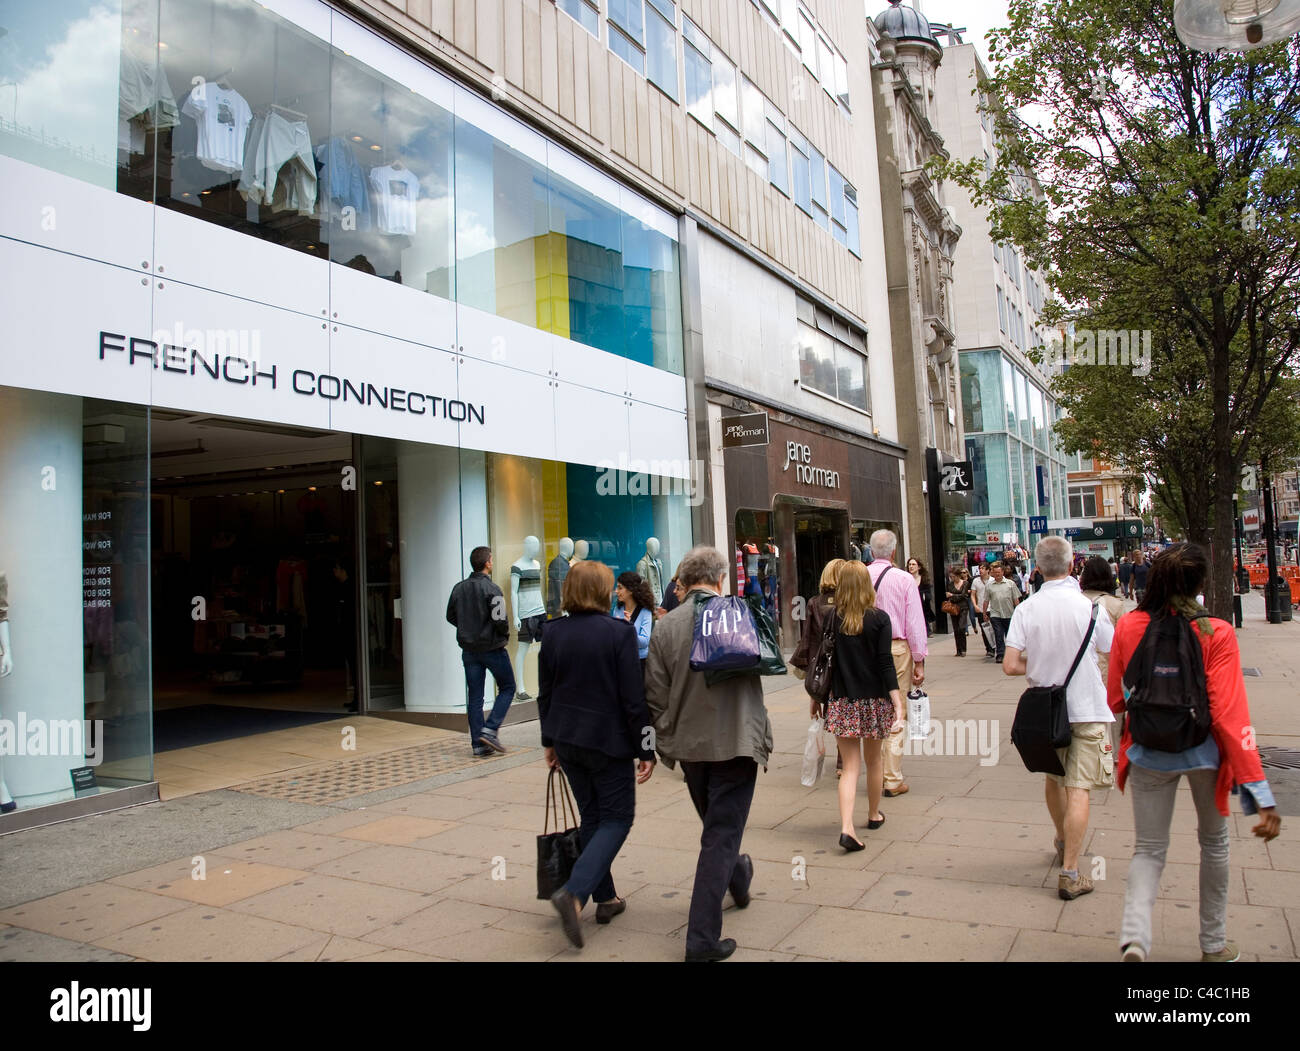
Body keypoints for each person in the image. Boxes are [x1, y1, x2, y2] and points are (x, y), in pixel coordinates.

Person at [1106, 544, 1281, 963]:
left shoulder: (1129, 626)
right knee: (1215, 845)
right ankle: (1213, 945)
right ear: (1200, 583)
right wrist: (1257, 790)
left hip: (1148, 749)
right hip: (1204, 753)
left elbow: (1115, 699)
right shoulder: (1216, 632)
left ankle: (1134, 939)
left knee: (1148, 849)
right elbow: (1229, 714)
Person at [644, 546, 773, 962]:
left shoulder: (665, 627)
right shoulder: (739, 614)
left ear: (682, 581)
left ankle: (738, 875)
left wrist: (668, 741)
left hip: (691, 748)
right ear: (720, 579)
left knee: (719, 830)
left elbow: (655, 696)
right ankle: (700, 939)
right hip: (736, 742)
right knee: (720, 834)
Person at [541, 560, 656, 949]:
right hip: (608, 742)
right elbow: (633, 697)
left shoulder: (552, 632)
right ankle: (574, 894)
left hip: (569, 740)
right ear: (602, 591)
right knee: (618, 818)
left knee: (593, 816)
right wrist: (647, 746)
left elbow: (546, 693)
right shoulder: (618, 633)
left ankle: (605, 898)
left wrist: (549, 741)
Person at [1003, 536, 1115, 901]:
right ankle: (1070, 871)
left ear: (1036, 568)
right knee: (1079, 788)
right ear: (1072, 567)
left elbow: (1009, 665)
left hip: (1046, 712)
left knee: (1054, 778)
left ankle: (1062, 836)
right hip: (1086, 707)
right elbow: (1109, 651)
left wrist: (1036, 666)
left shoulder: (1027, 609)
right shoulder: (1091, 609)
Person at [815, 561, 903, 850]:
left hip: (842, 701)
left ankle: (847, 827)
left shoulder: (832, 618)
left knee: (849, 767)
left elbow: (823, 660)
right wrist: (896, 697)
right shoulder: (879, 619)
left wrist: (815, 699)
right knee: (874, 760)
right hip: (874, 701)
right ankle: (874, 814)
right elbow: (885, 662)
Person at [867, 530, 926, 798]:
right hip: (896, 648)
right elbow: (915, 622)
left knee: (872, 707)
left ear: (870, 552)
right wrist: (919, 659)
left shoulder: (859, 577)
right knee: (896, 708)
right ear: (893, 553)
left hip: (864, 649)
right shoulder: (904, 579)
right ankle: (891, 778)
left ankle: (875, 773)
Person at [446, 546, 515, 757]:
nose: (492, 563)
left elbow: (450, 616)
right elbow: (500, 619)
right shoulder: (492, 589)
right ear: (487, 563)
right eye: (491, 560)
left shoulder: (459, 588)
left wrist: (467, 629)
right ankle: (490, 729)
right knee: (508, 687)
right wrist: (504, 635)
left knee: (475, 697)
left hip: (469, 650)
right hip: (492, 648)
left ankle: (478, 744)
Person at [792, 558, 846, 779]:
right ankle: (844, 761)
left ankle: (839, 759)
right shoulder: (850, 601)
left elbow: (809, 641)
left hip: (825, 664)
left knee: (829, 706)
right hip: (847, 664)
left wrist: (807, 672)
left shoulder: (814, 603)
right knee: (844, 708)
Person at [1079, 555, 1125, 689]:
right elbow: (1122, 642)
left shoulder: (1072, 602)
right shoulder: (1116, 605)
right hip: (1107, 673)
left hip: (1078, 673)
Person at [613, 571, 655, 669]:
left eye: (620, 588)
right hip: (621, 659)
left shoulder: (645, 612)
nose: (616, 591)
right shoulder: (618, 609)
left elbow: (644, 642)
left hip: (640, 662)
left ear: (630, 590)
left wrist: (629, 628)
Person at [983, 562, 1021, 663]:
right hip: (996, 614)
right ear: (992, 573)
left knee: (1010, 635)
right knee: (998, 634)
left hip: (1009, 613)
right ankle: (1000, 654)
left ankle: (1010, 654)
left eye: (999, 572)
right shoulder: (989, 585)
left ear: (1002, 572)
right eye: (995, 572)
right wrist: (984, 613)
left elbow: (1015, 599)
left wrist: (1018, 612)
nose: (997, 574)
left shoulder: (1010, 584)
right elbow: (986, 600)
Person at [944, 565, 972, 656]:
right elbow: (949, 595)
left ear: (958, 575)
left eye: (954, 576)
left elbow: (964, 595)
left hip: (963, 608)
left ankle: (963, 649)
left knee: (961, 627)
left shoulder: (965, 583)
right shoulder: (950, 584)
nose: (952, 578)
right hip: (954, 608)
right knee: (956, 629)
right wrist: (952, 596)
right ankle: (958, 650)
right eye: (951, 577)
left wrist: (952, 595)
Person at [906, 556, 936, 637]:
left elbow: (928, 593)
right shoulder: (906, 578)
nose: (911, 566)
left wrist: (924, 596)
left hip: (922, 605)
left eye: (913, 564)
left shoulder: (924, 579)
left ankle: (927, 630)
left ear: (918, 567)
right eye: (909, 564)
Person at [970, 561, 995, 657]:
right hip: (981, 609)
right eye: (980, 568)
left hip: (992, 609)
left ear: (988, 570)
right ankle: (989, 649)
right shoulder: (976, 581)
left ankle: (995, 647)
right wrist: (975, 605)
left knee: (993, 629)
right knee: (985, 630)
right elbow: (973, 594)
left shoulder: (993, 580)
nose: (980, 570)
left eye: (983, 568)